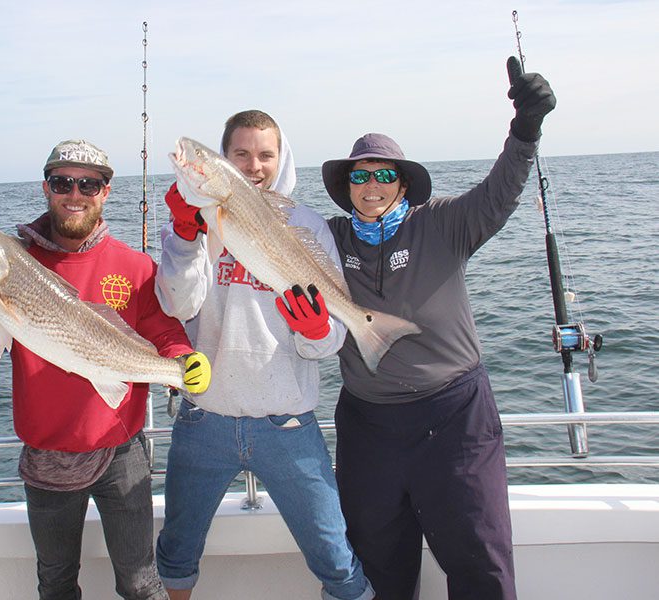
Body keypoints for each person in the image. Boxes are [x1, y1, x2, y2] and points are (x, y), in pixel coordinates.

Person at [321, 57, 557, 600]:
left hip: (454, 420)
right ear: (347, 185)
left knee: (480, 564)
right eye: (361, 175)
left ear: (402, 184)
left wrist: (525, 129)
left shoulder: (443, 222)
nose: (372, 185)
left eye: (384, 175)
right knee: (377, 569)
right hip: (368, 427)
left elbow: (500, 193)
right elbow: (269, 234)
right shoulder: (328, 240)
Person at [0, 139, 210, 600]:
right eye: (62, 182)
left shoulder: (133, 265)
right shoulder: (14, 264)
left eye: (89, 183)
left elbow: (161, 328)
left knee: (141, 583)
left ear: (106, 192)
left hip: (123, 452)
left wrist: (183, 358)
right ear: (45, 188)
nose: (75, 193)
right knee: (56, 583)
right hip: (46, 456)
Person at [155, 110, 374, 600]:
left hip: (287, 422)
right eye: (240, 154)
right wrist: (189, 238)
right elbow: (175, 304)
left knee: (334, 556)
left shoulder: (309, 227)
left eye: (265, 154)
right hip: (203, 418)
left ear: (281, 158)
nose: (254, 165)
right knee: (176, 550)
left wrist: (316, 328)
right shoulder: (191, 224)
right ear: (227, 161)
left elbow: (330, 339)